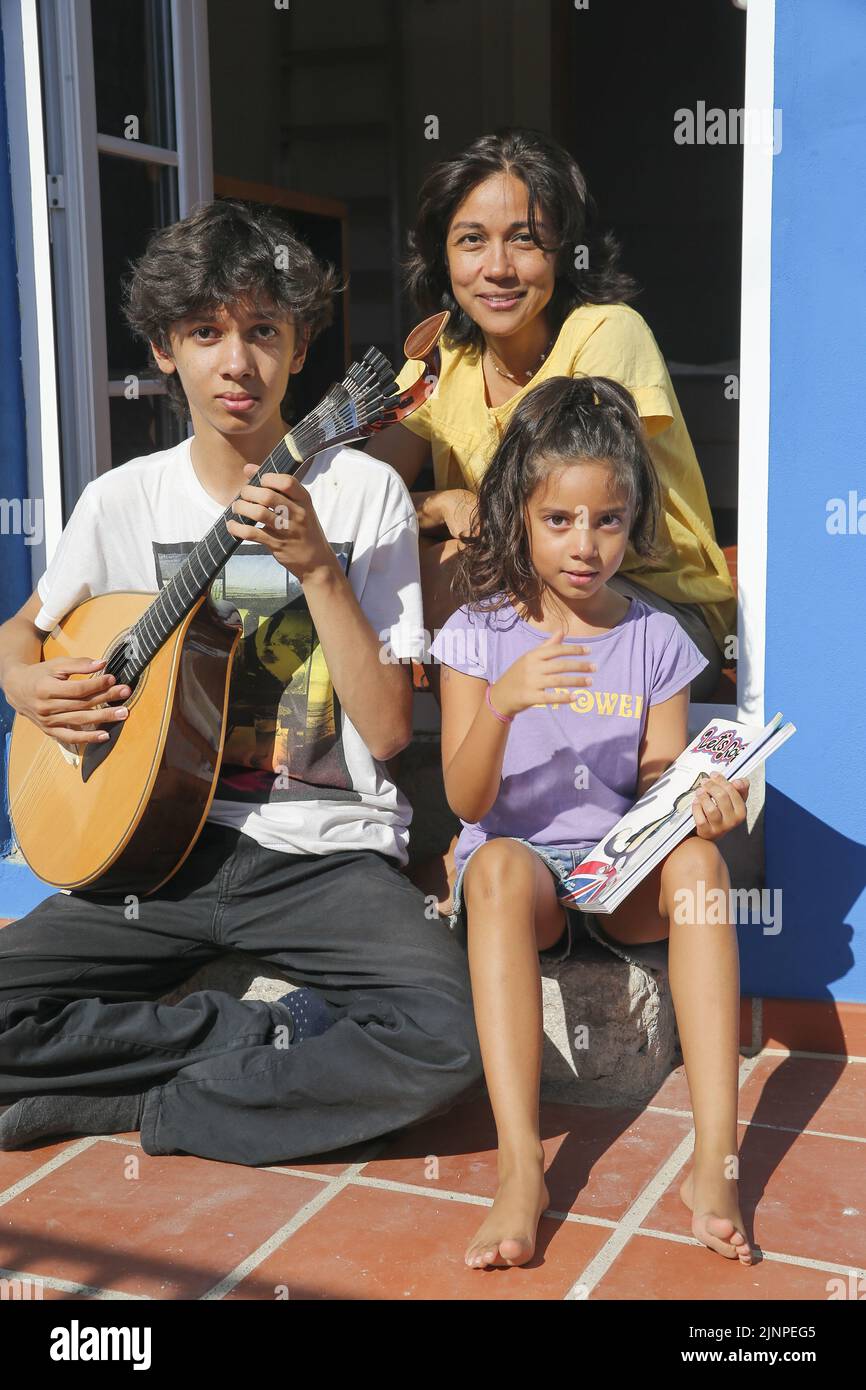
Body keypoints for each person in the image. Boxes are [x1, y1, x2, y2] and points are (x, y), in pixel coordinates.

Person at [0, 198, 482, 1166]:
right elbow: (27, 628)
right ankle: (239, 1043)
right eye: (206, 333)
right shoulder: (122, 499)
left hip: (325, 857)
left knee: (446, 1039)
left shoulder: (361, 493)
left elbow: (389, 732)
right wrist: (20, 680)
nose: (238, 363)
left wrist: (317, 569)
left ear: (302, 350)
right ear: (163, 347)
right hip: (153, 863)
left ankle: (146, 1110)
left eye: (264, 331)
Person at [430, 374, 753, 1269]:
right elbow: (462, 801)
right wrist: (502, 704)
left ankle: (715, 1158)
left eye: (608, 521)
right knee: (493, 865)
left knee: (699, 870)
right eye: (560, 521)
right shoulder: (478, 634)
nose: (586, 546)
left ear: (634, 520)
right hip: (520, 876)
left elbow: (656, 773)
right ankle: (520, 1170)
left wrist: (694, 802)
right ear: (520, 519)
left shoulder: (656, 638)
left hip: (612, 871)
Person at [366, 128, 736, 703]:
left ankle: (477, 755)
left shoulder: (608, 331)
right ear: (442, 254)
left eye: (525, 240)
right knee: (403, 562)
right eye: (470, 240)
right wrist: (440, 502)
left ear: (564, 251)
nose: (497, 267)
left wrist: (457, 519)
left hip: (649, 611)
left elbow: (572, 512)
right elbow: (363, 502)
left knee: (460, 564)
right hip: (516, 604)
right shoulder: (440, 361)